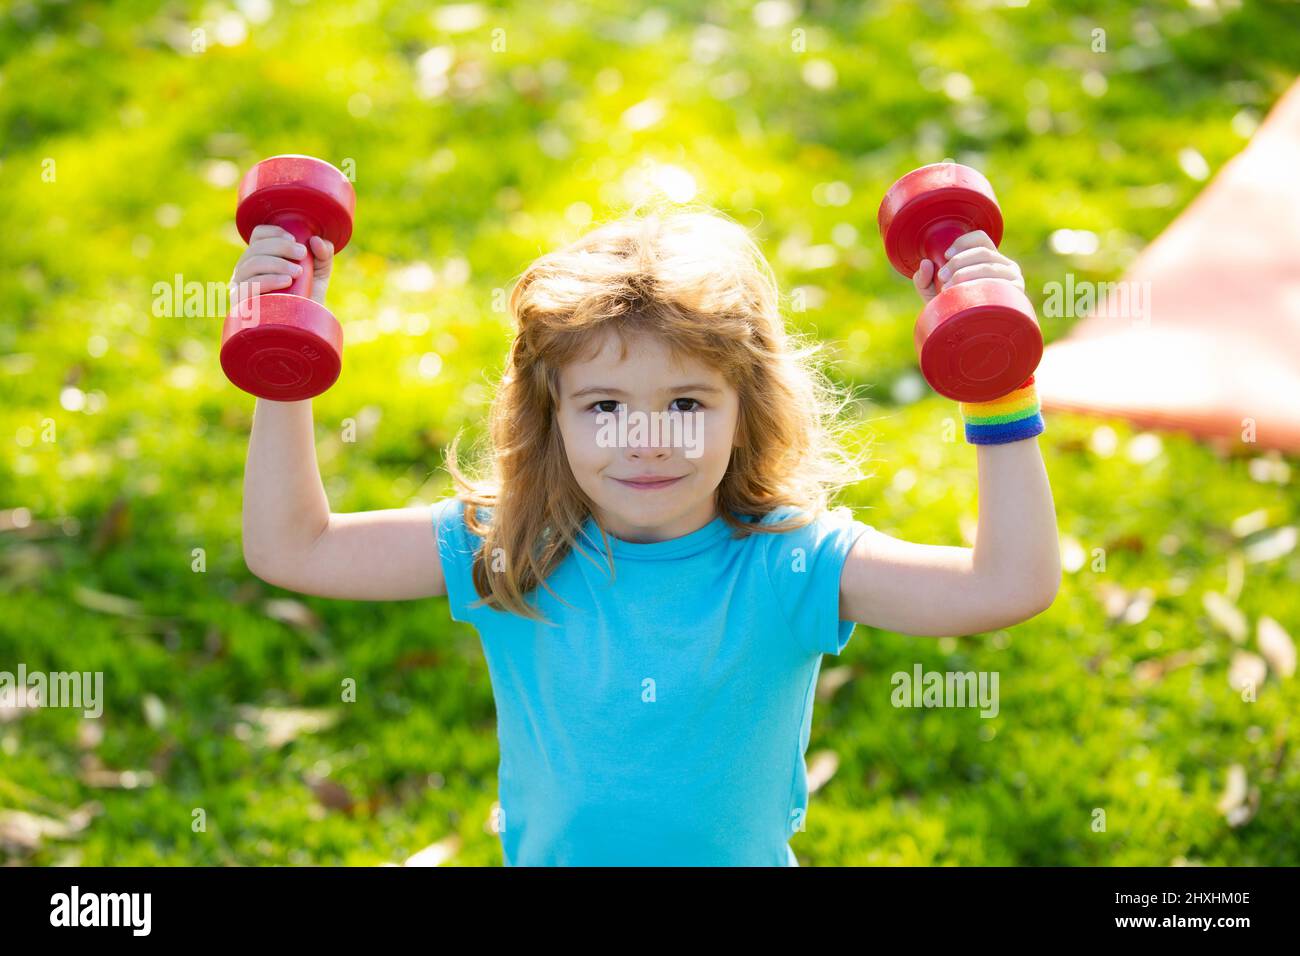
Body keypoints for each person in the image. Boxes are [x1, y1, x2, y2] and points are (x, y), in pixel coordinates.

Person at [232, 203, 1060, 866]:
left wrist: (997, 383)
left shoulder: (789, 562)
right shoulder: (512, 547)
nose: (648, 439)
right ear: (551, 418)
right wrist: (283, 352)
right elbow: (292, 548)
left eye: (688, 404)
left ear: (746, 413)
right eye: (604, 406)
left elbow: (1007, 586)